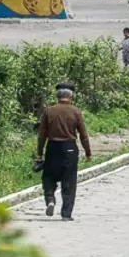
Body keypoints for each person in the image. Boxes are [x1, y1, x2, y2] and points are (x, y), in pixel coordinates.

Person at [35, 83, 93, 221]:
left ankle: (50, 199)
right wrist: (88, 152)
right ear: (71, 96)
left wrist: (39, 153)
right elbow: (83, 135)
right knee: (69, 181)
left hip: (53, 147)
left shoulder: (49, 111)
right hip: (70, 148)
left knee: (48, 176)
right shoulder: (76, 111)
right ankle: (66, 214)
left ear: (58, 95)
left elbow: (41, 135)